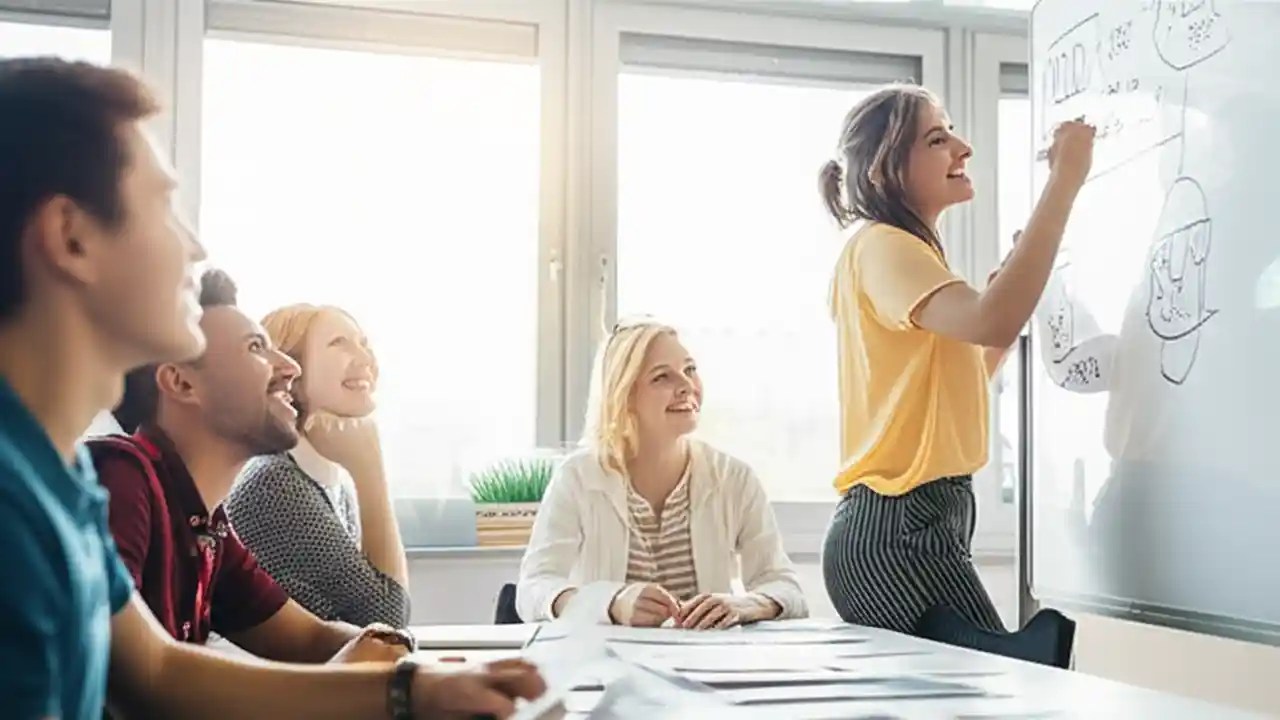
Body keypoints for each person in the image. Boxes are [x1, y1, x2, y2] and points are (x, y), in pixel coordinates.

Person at [0, 56, 543, 719]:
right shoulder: (26, 497)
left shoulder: (63, 481)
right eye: (165, 207)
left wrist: (410, 690)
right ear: (71, 237)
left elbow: (157, 669)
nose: (195, 247)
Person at [817, 83, 1093, 641]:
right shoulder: (885, 246)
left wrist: (1011, 291)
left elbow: (962, 370)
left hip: (913, 523)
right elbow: (992, 317)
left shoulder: (894, 251)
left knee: (989, 689)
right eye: (937, 139)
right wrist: (1065, 180)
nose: (963, 148)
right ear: (882, 171)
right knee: (1001, 689)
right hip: (900, 528)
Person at [95, 269, 406, 664]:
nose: (289, 368)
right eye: (256, 347)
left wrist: (399, 655)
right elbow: (126, 674)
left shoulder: (209, 527)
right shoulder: (120, 483)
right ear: (182, 384)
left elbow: (310, 638)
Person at [518, 318, 808, 628]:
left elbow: (787, 589)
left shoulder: (734, 479)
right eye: (662, 377)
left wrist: (746, 605)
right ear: (625, 395)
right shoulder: (577, 478)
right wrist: (613, 603)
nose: (686, 386)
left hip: (706, 667)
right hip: (607, 666)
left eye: (690, 370)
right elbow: (534, 588)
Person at [227, 303, 410, 628]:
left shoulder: (326, 476)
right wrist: (371, 471)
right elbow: (386, 621)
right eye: (339, 342)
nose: (366, 359)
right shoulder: (273, 483)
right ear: (290, 374)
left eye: (364, 343)